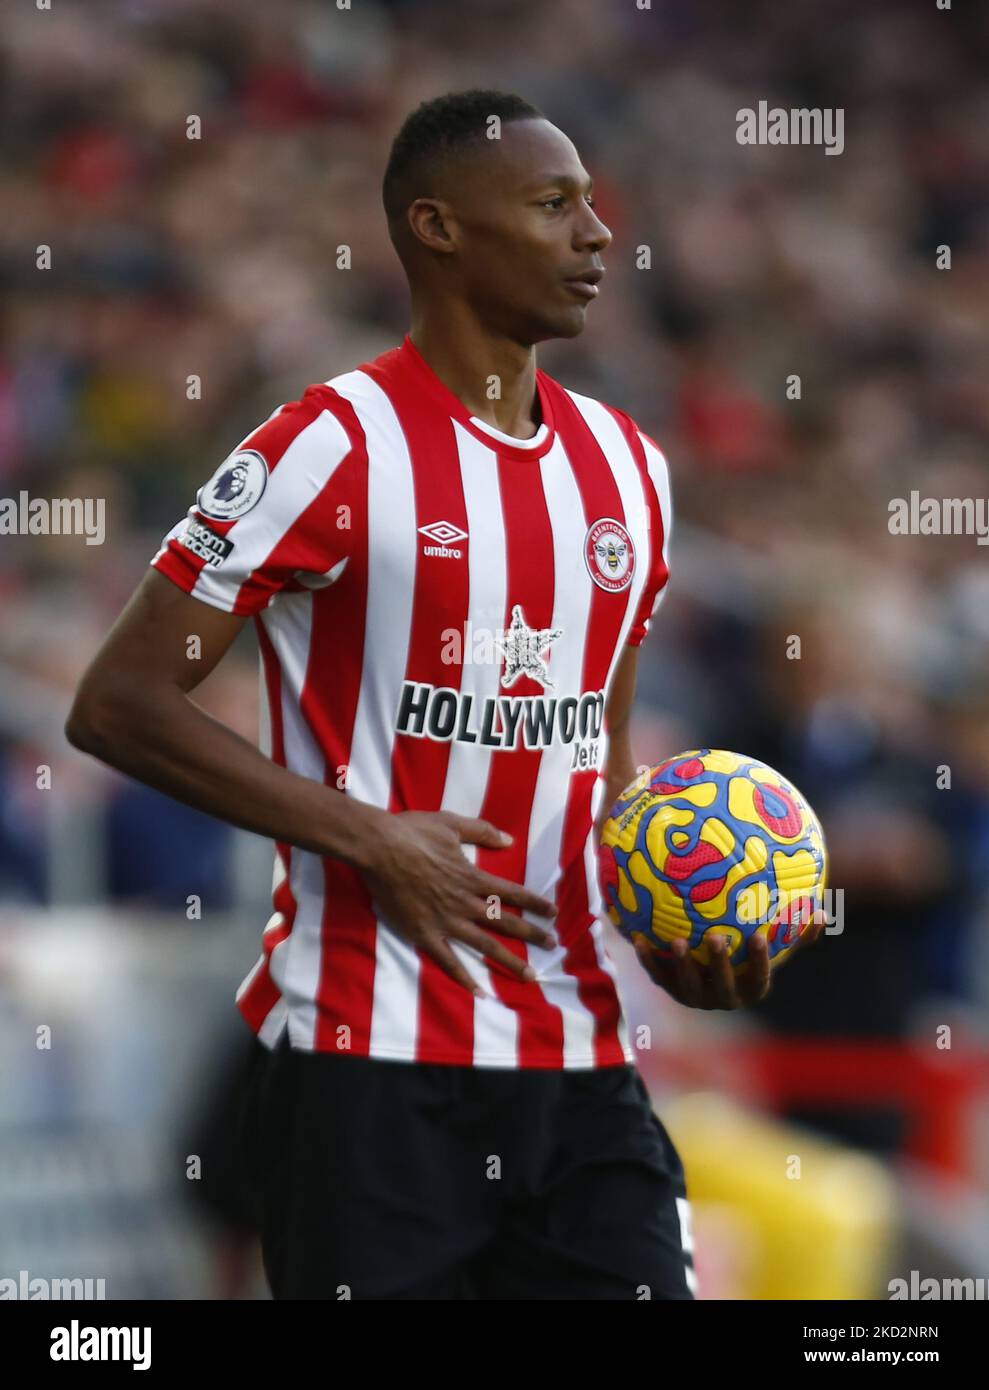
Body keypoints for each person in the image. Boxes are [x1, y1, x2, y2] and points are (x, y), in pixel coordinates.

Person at [67, 89, 805, 1300]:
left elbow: (597, 757)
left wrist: (670, 921)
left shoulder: (630, 467)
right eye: (553, 203)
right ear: (438, 228)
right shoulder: (328, 445)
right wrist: (372, 836)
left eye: (591, 202)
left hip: (580, 1062)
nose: (597, 234)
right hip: (369, 1064)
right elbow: (116, 703)